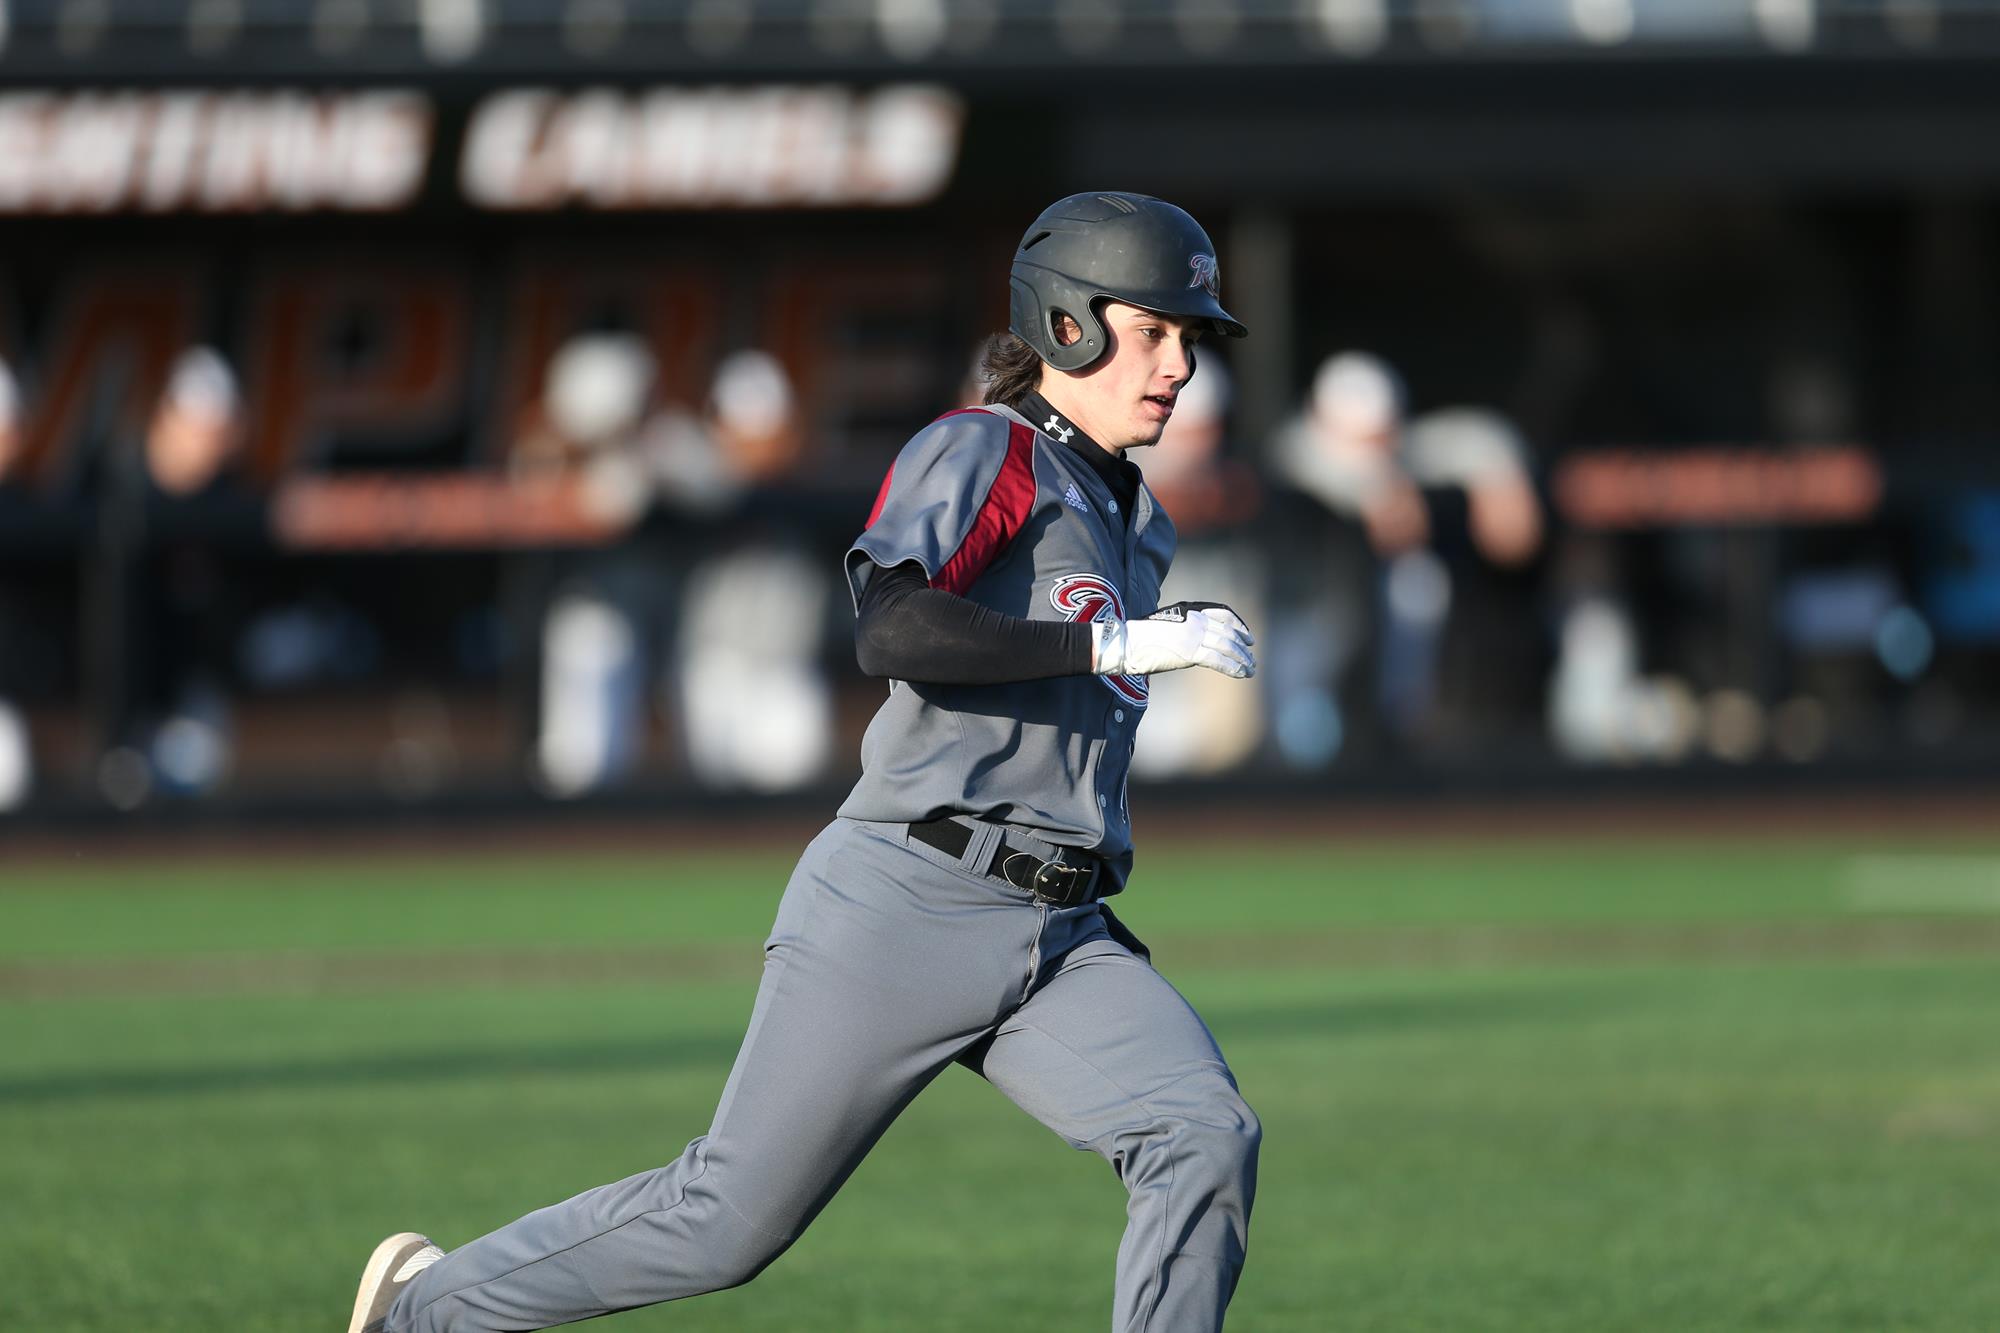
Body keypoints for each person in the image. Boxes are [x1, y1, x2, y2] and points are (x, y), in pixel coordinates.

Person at [346, 191, 1263, 1333]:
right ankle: (422, 1311)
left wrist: (1119, 645)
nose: (1180, 364)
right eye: (1154, 329)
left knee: (1200, 1130)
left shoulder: (1138, 517)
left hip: (1061, 927)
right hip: (912, 895)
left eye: (1189, 337)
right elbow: (894, 626)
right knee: (724, 1223)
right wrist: (1115, 642)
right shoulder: (987, 448)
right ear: (1068, 323)